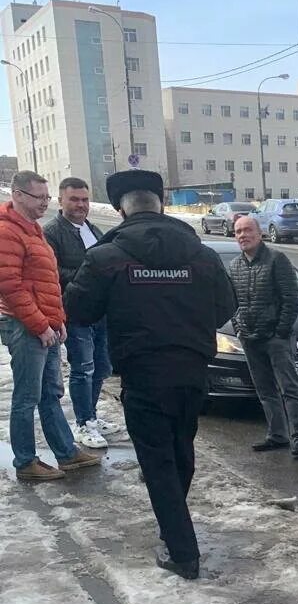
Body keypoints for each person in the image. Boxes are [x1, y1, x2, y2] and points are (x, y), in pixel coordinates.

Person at [65, 170, 236, 580]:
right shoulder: (202, 254)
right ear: (160, 204)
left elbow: (81, 311)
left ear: (122, 208)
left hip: (143, 373)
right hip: (194, 370)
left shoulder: (106, 256)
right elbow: (226, 307)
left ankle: (181, 551)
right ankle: (173, 524)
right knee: (181, 449)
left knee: (158, 460)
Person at [0, 170, 102, 482]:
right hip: (24, 325)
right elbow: (10, 286)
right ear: (17, 195)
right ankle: (26, 461)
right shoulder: (8, 232)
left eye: (47, 197)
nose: (45, 203)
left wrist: (57, 322)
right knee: (27, 396)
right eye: (39, 197)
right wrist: (40, 325)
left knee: (50, 393)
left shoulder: (32, 229)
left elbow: (46, 282)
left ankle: (66, 453)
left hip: (44, 325)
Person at [43, 176, 125, 449]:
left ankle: (91, 417)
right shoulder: (52, 232)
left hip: (100, 311)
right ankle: (83, 422)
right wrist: (90, 275)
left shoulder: (93, 229)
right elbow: (52, 273)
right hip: (75, 311)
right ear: (60, 201)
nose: (81, 205)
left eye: (85, 199)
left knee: (102, 367)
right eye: (74, 199)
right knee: (83, 368)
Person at [230, 215, 298, 459]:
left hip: (275, 338)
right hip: (249, 338)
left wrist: (281, 331)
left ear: (260, 233)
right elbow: (233, 301)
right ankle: (277, 435)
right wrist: (238, 326)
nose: (243, 235)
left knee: (290, 389)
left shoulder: (277, 260)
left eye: (247, 230)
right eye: (238, 232)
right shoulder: (235, 265)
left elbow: (291, 299)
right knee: (265, 390)